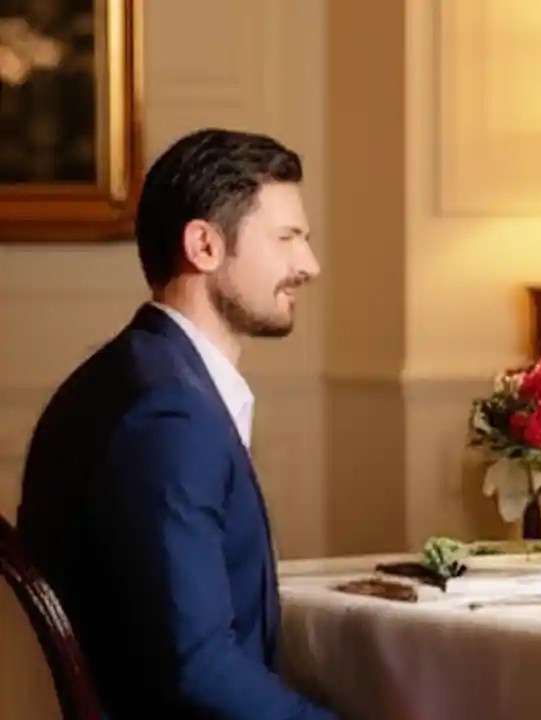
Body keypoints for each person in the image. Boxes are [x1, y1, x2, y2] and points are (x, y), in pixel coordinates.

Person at [17, 128, 337, 718]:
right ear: (204, 246)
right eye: (287, 238)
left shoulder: (132, 376)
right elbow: (197, 667)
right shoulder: (168, 413)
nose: (308, 265)